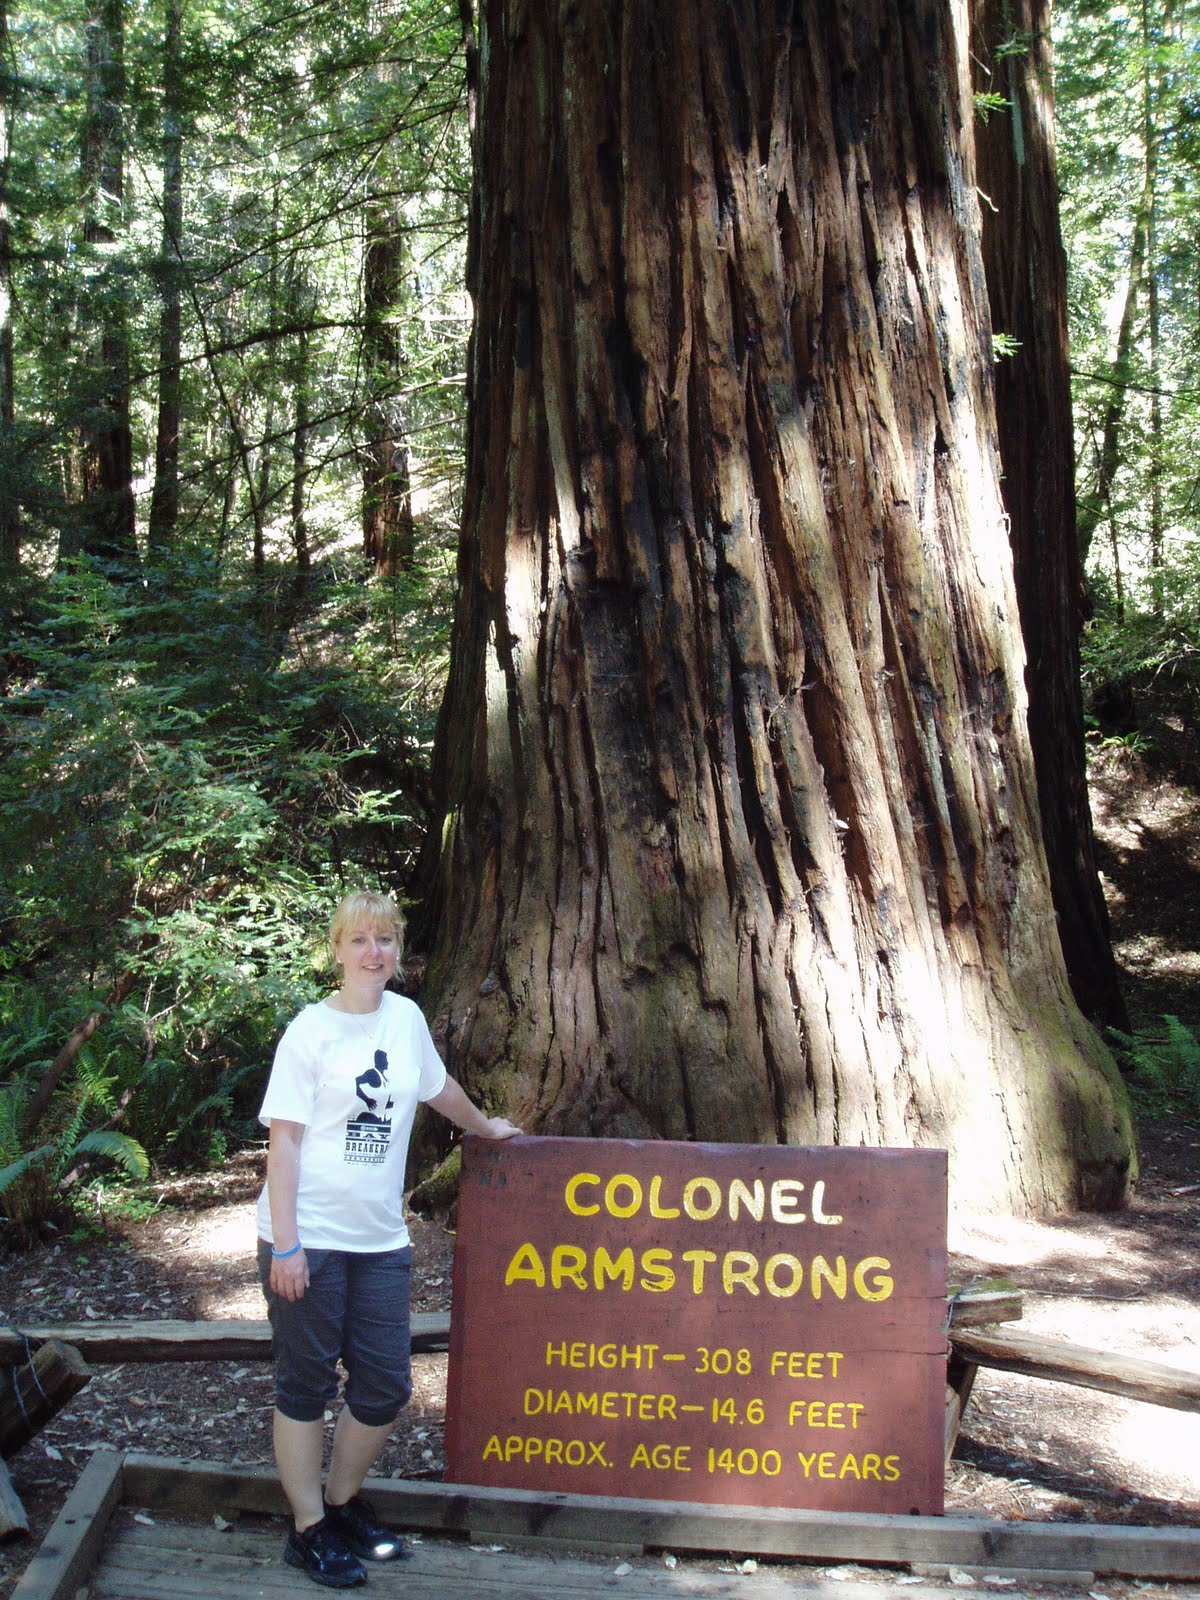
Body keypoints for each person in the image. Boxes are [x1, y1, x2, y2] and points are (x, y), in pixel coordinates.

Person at [256, 889, 520, 1589]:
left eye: (386, 941)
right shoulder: (309, 1032)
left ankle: (343, 1504)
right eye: (361, 941)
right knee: (306, 1384)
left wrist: (485, 1128)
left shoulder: (404, 1020)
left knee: (383, 1384)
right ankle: (308, 1527)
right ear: (337, 950)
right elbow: (283, 1145)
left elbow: (438, 1088)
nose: (375, 953)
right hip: (306, 1234)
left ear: (397, 951)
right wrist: (287, 1246)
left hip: (378, 1239)